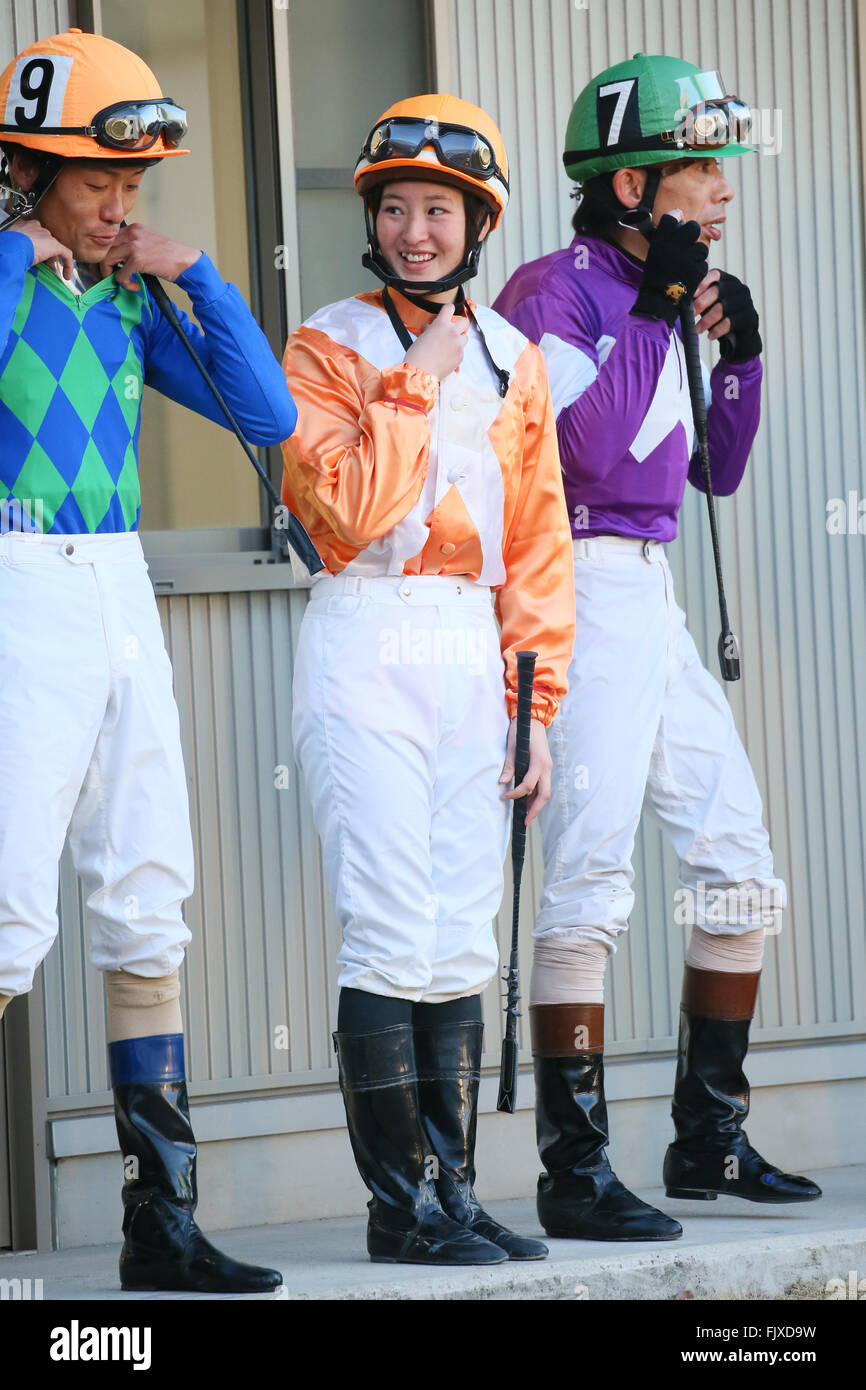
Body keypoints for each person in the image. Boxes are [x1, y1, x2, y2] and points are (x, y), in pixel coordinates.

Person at [493, 53, 821, 1242]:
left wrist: (737, 358)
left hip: (652, 585)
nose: (720, 185)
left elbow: (710, 468)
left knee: (740, 867)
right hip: (573, 579)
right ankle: (570, 1173)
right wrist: (656, 311)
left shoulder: (674, 283)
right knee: (584, 881)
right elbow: (580, 447)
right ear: (630, 185)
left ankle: (705, 1139)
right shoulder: (552, 288)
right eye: (697, 165)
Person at [0, 28, 296, 1291]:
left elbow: (266, 415)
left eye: (133, 190)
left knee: (147, 901)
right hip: (16, 584)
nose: (121, 208)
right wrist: (22, 250)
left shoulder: (128, 294)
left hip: (119, 580)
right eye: (96, 187)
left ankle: (159, 1225)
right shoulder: (12, 266)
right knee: (8, 916)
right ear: (28, 171)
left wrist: (197, 271)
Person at [280, 94, 575, 1266]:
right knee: (391, 928)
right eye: (395, 206)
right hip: (364, 637)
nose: (415, 230)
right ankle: (396, 1206)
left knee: (462, 935)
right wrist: (413, 374)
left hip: (471, 653)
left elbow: (540, 547)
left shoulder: (520, 361)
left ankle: (450, 1192)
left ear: (474, 221)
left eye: (438, 210)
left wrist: (536, 710)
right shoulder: (327, 342)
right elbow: (345, 514)